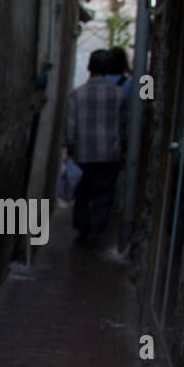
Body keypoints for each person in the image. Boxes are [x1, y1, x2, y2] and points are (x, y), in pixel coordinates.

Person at [64, 49, 126, 248]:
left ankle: (83, 226)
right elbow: (124, 124)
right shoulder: (119, 94)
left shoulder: (77, 94)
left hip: (84, 152)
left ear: (89, 67)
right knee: (104, 191)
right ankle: (96, 226)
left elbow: (70, 125)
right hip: (109, 152)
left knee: (82, 191)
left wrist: (70, 148)